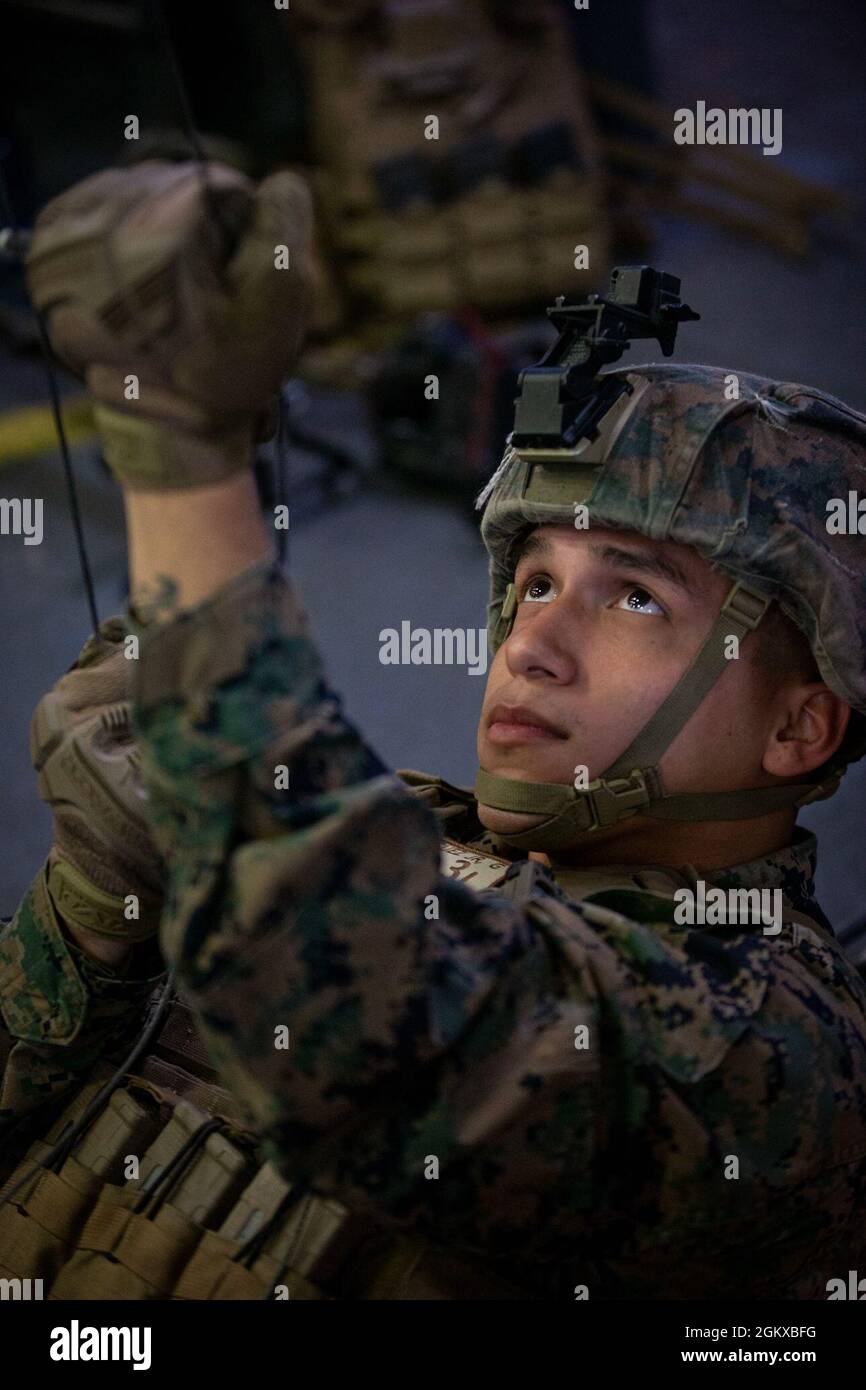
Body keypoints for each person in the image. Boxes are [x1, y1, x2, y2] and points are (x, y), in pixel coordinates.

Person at [1, 159, 865, 1300]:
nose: (529, 646)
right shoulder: (383, 836)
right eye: (535, 583)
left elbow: (400, 1044)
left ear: (800, 726)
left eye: (635, 596)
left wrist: (187, 469)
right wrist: (100, 901)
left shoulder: (791, 1056)